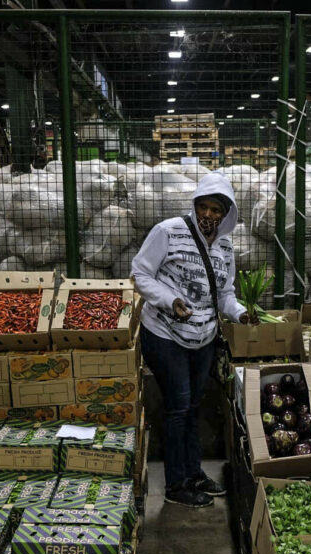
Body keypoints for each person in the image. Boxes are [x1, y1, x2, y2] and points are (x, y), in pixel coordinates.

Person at [131, 172, 251, 508]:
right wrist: (170, 301)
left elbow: (223, 294)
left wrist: (239, 313)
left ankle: (193, 472)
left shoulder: (225, 246)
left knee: (193, 407)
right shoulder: (167, 231)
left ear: (226, 215)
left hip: (204, 338)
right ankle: (176, 485)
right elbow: (140, 273)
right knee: (179, 408)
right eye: (205, 207)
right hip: (165, 335)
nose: (209, 215)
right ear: (195, 205)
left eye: (217, 210)